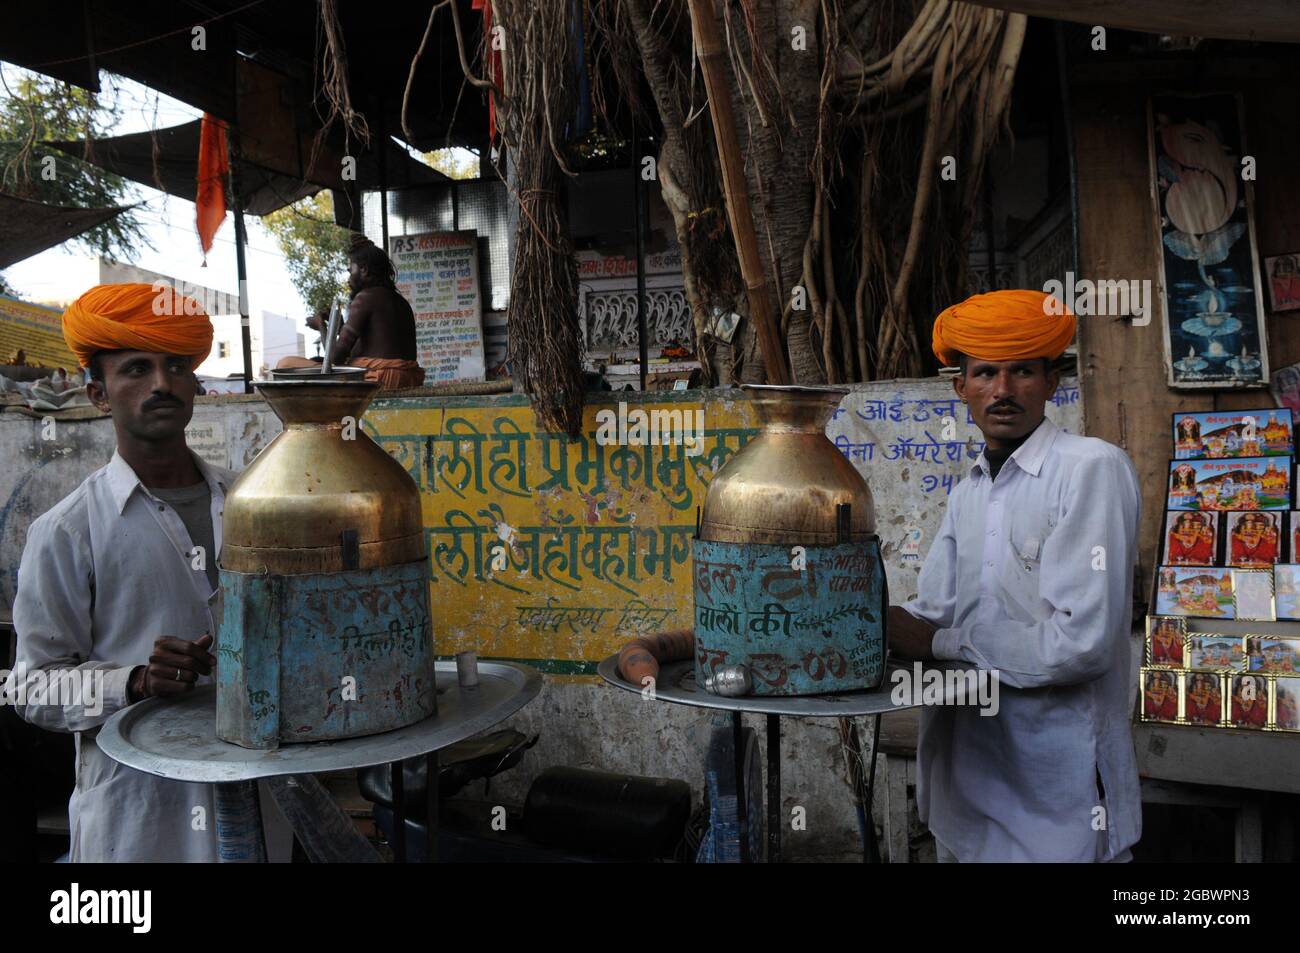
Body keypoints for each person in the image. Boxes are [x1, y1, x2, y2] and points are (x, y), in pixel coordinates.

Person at [6, 283, 289, 861]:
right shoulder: (67, 531)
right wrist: (135, 681)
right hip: (142, 815)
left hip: (259, 789)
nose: (161, 384)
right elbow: (31, 686)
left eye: (176, 366)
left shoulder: (251, 505)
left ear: (195, 385)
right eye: (136, 368)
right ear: (97, 393)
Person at [887, 288, 1142, 863]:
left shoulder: (1088, 470)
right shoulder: (968, 493)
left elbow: (1081, 646)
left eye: (1023, 371)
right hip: (969, 780)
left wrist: (936, 641)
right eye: (985, 375)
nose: (1002, 391)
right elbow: (932, 615)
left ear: (1053, 383)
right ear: (961, 388)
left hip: (1059, 788)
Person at [279, 236, 424, 388]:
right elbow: (365, 350)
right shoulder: (402, 302)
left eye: (350, 271)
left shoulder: (365, 297)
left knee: (285, 363)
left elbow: (335, 358)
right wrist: (341, 327)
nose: (348, 279)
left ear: (364, 270)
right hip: (409, 379)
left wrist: (320, 325)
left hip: (379, 379)